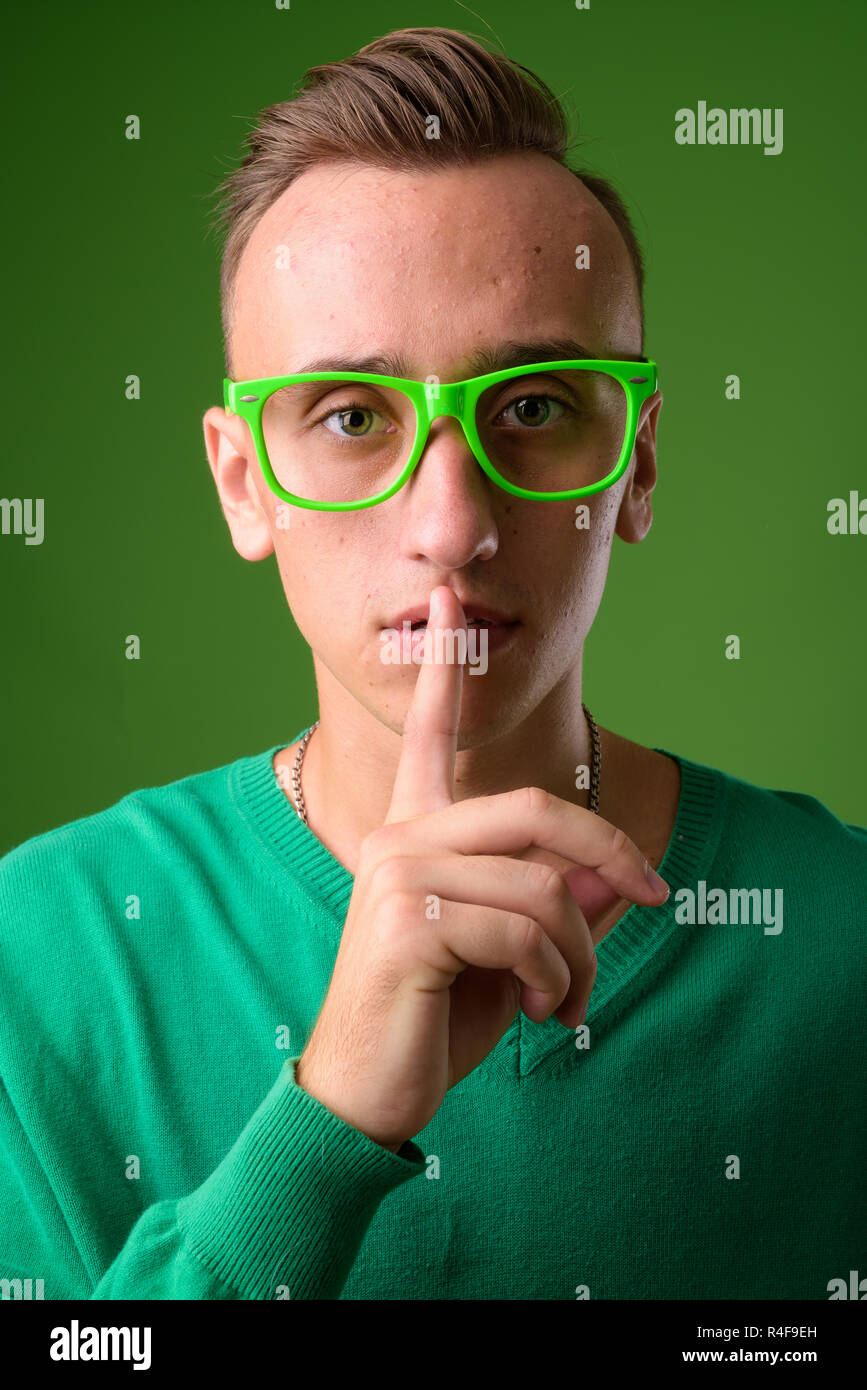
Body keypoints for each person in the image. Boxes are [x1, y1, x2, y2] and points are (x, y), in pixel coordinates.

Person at [1, 26, 864, 1303]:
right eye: (351, 418)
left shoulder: (842, 935)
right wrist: (333, 1114)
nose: (452, 524)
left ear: (635, 465)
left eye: (533, 408)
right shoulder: (38, 957)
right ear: (245, 486)